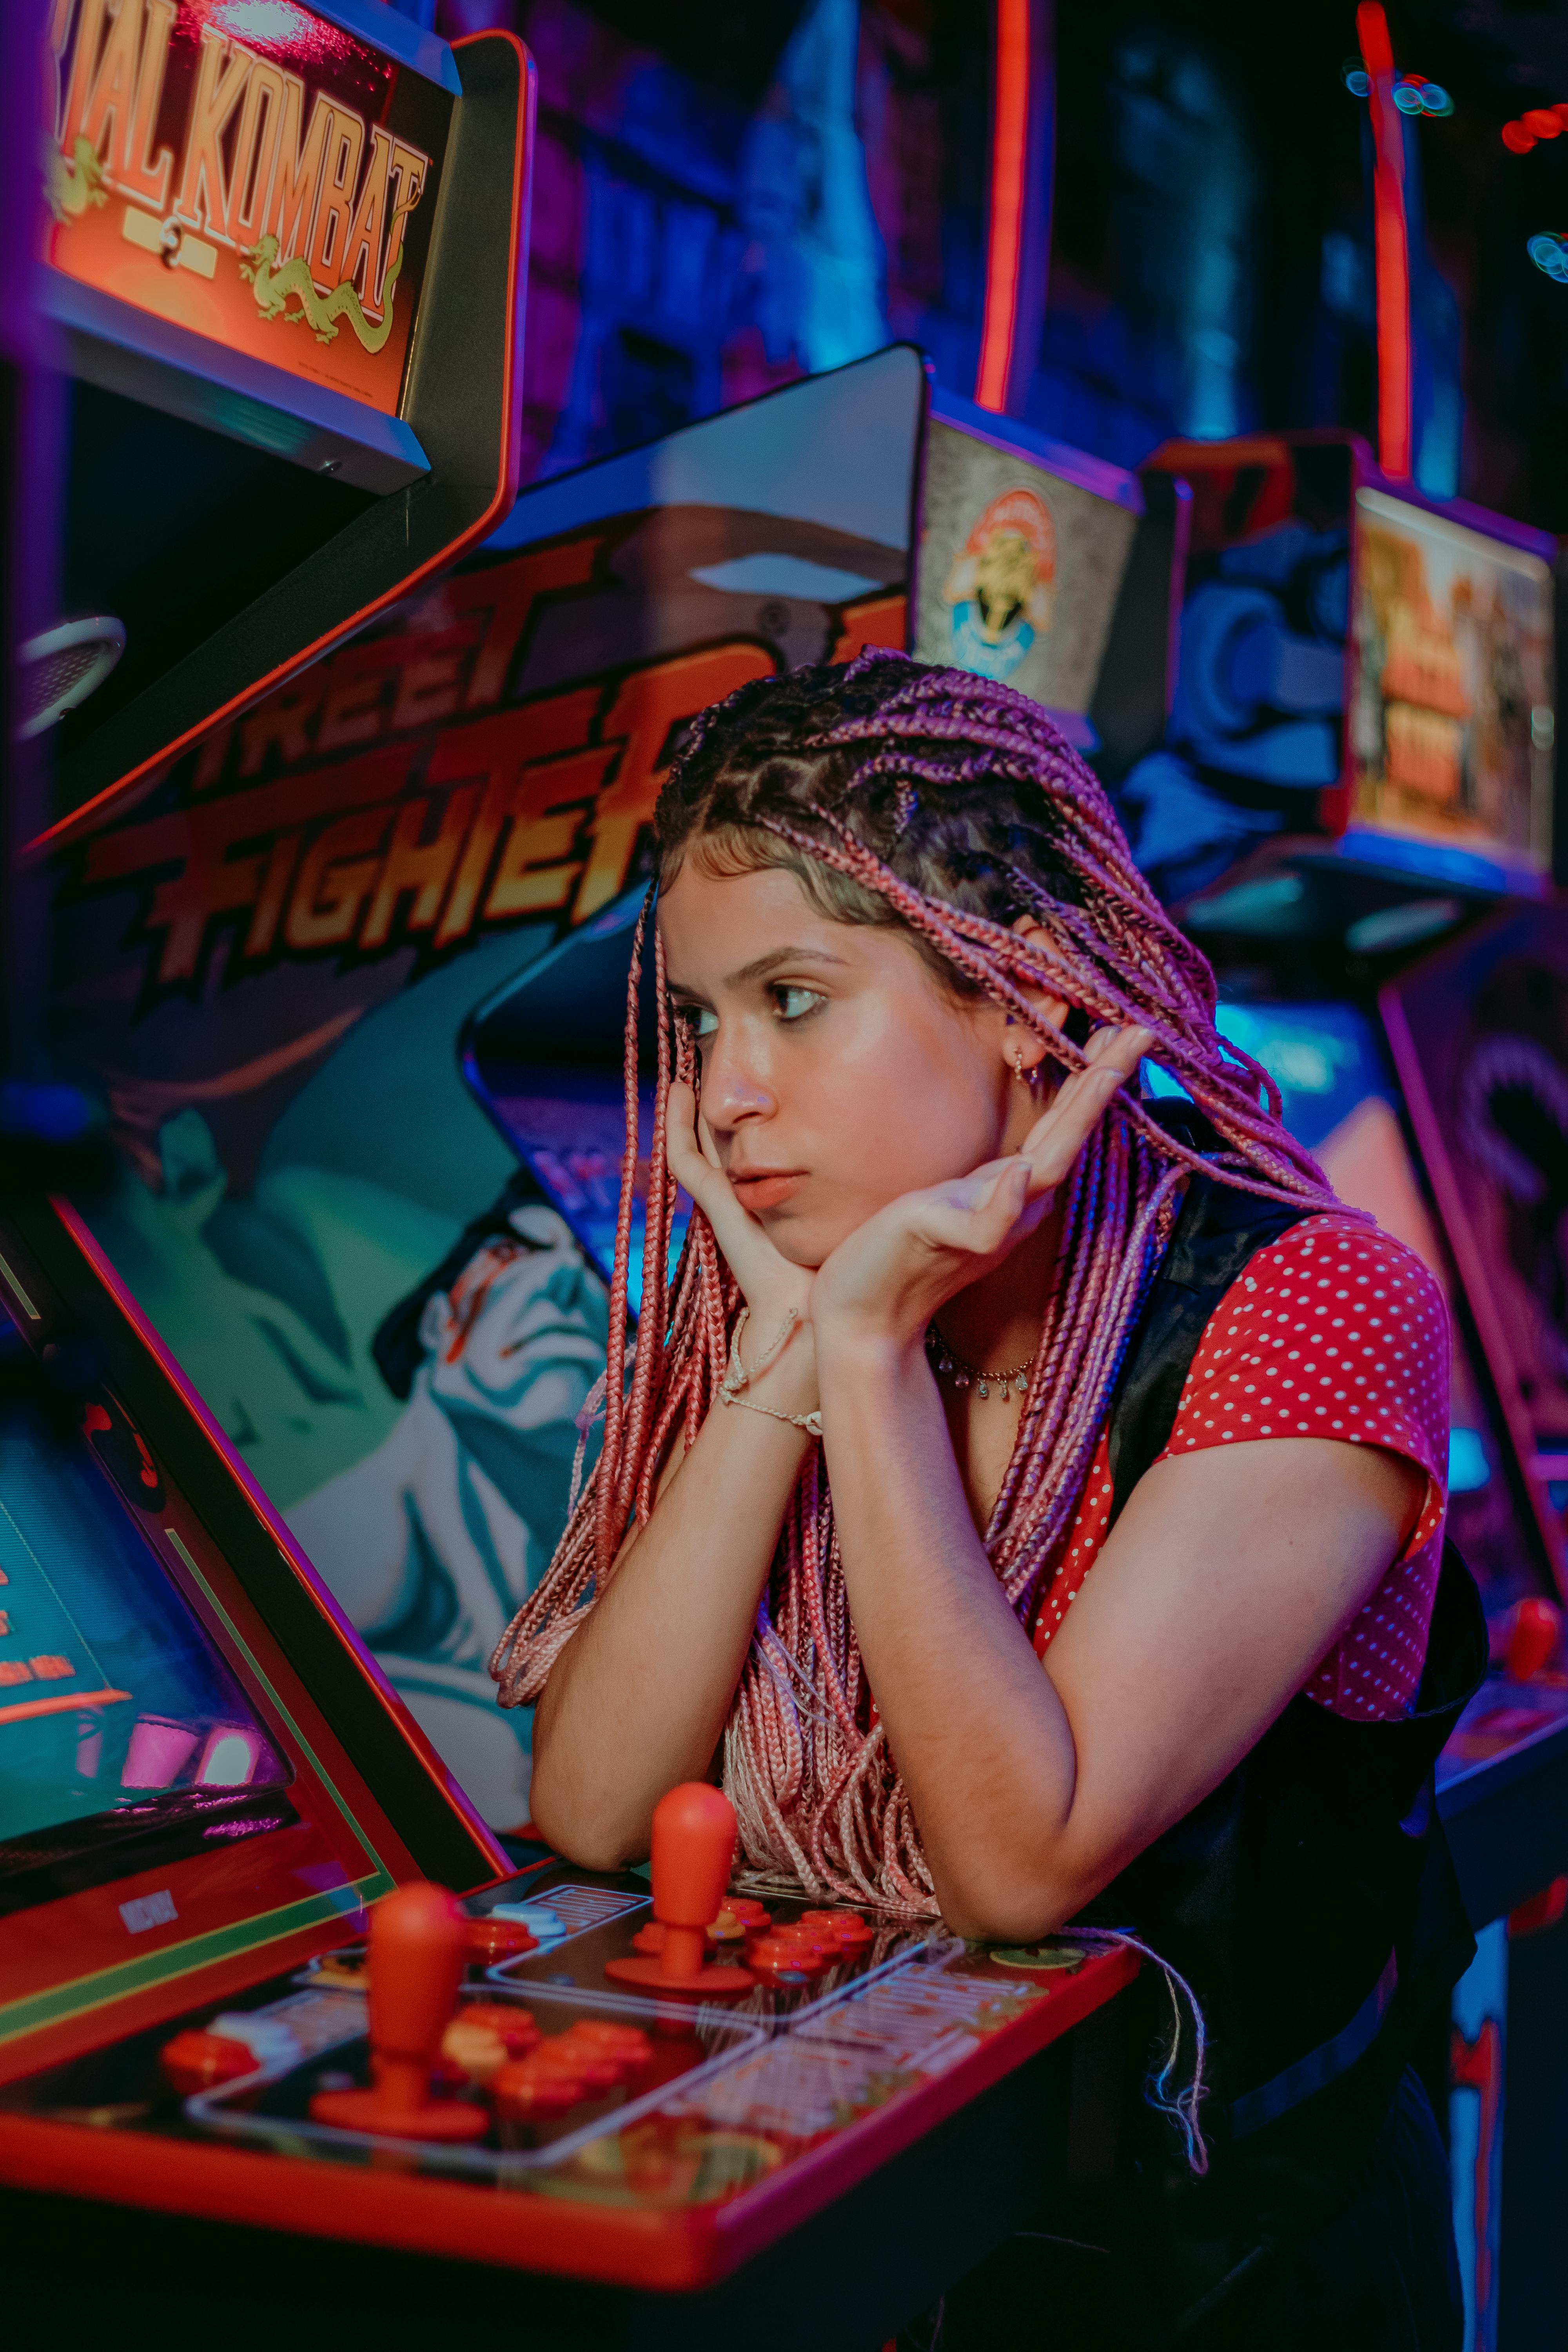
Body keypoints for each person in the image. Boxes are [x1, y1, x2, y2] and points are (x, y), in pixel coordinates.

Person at [490, 651, 1481, 2347]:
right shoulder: (789, 1305)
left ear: (1023, 997)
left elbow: (1021, 1861)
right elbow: (590, 1806)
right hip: (891, 2263)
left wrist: (863, 1360)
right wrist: (786, 1367)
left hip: (1220, 2278)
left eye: (791, 1001)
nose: (723, 1096)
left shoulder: (1311, 1302)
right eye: (702, 1023)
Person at [289, 1173, 607, 1828]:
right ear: (438, 1319)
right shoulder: (331, 1582)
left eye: (594, 1260)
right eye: (518, 1251)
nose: (566, 1283)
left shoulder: (622, 1565)